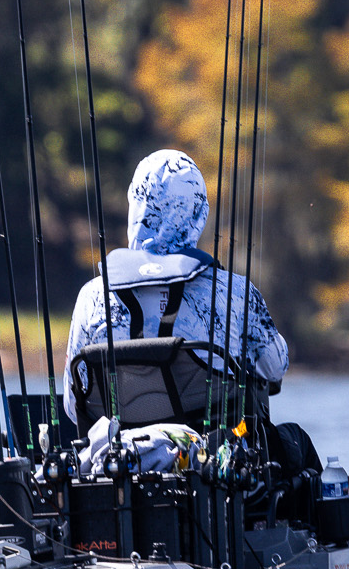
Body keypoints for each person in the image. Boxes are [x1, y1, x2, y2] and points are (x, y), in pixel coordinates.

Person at [63, 148, 289, 422]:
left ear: (136, 205)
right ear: (199, 213)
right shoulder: (234, 293)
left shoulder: (91, 296)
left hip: (119, 459)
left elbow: (73, 405)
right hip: (209, 458)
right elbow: (275, 368)